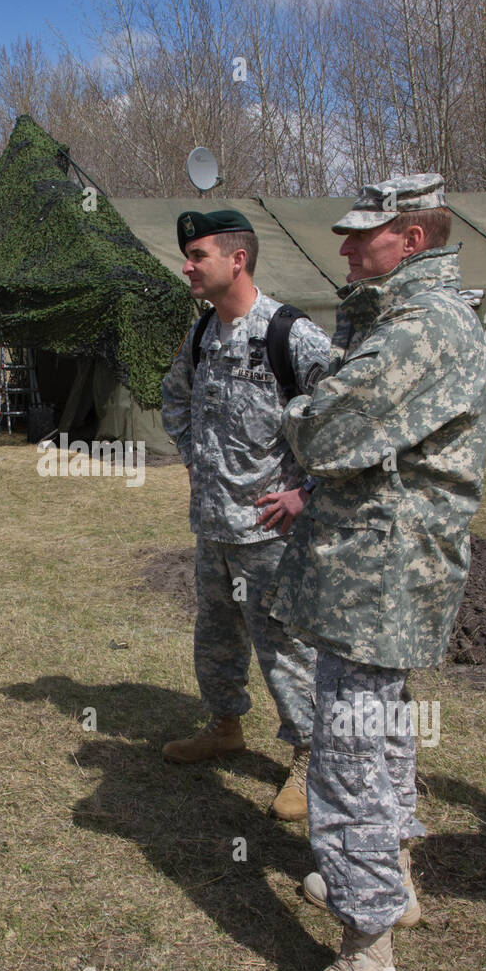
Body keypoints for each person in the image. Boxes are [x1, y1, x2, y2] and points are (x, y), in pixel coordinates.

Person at [269, 173, 486, 971]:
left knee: (349, 755)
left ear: (416, 239)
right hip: (378, 569)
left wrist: (295, 413)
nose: (347, 247)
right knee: (381, 729)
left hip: (381, 573)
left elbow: (326, 431)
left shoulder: (423, 329)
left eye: (367, 235)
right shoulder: (399, 319)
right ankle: (390, 886)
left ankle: (365, 966)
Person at [161, 210, 331, 819]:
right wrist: (194, 459)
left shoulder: (292, 336)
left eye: (197, 253)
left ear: (237, 259)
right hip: (212, 526)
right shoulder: (202, 334)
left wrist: (307, 490)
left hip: (271, 534)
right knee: (216, 634)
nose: (186, 264)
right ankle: (225, 725)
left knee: (285, 648)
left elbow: (351, 423)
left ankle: (311, 758)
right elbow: (173, 397)